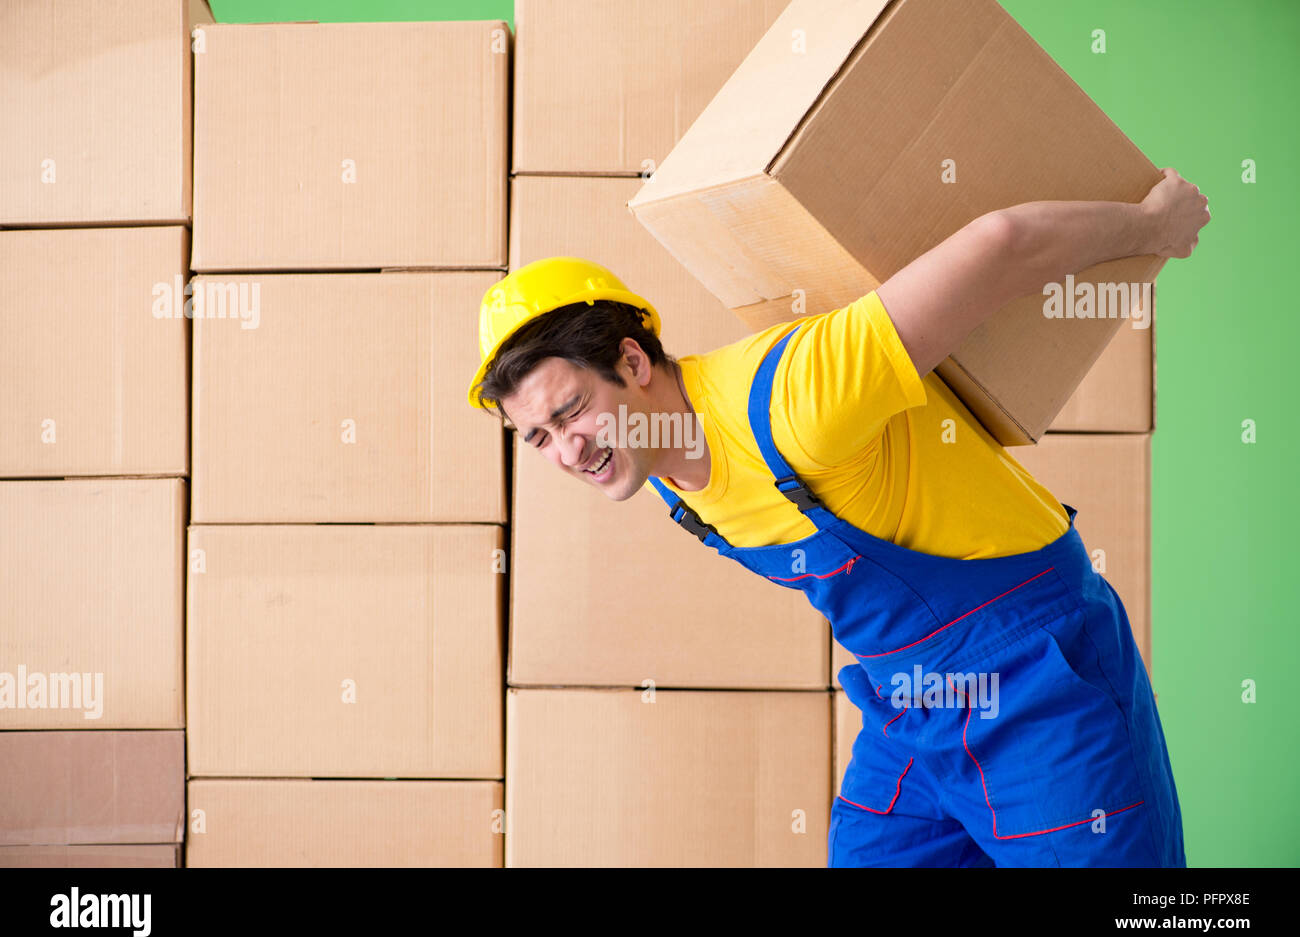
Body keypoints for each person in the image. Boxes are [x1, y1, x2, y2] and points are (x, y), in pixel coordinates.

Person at [467, 168, 1210, 867]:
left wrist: (1153, 224)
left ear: (632, 363)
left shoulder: (793, 399)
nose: (569, 450)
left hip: (1033, 672)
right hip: (908, 702)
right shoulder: (664, 476)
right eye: (537, 436)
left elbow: (1000, 244)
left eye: (571, 411)